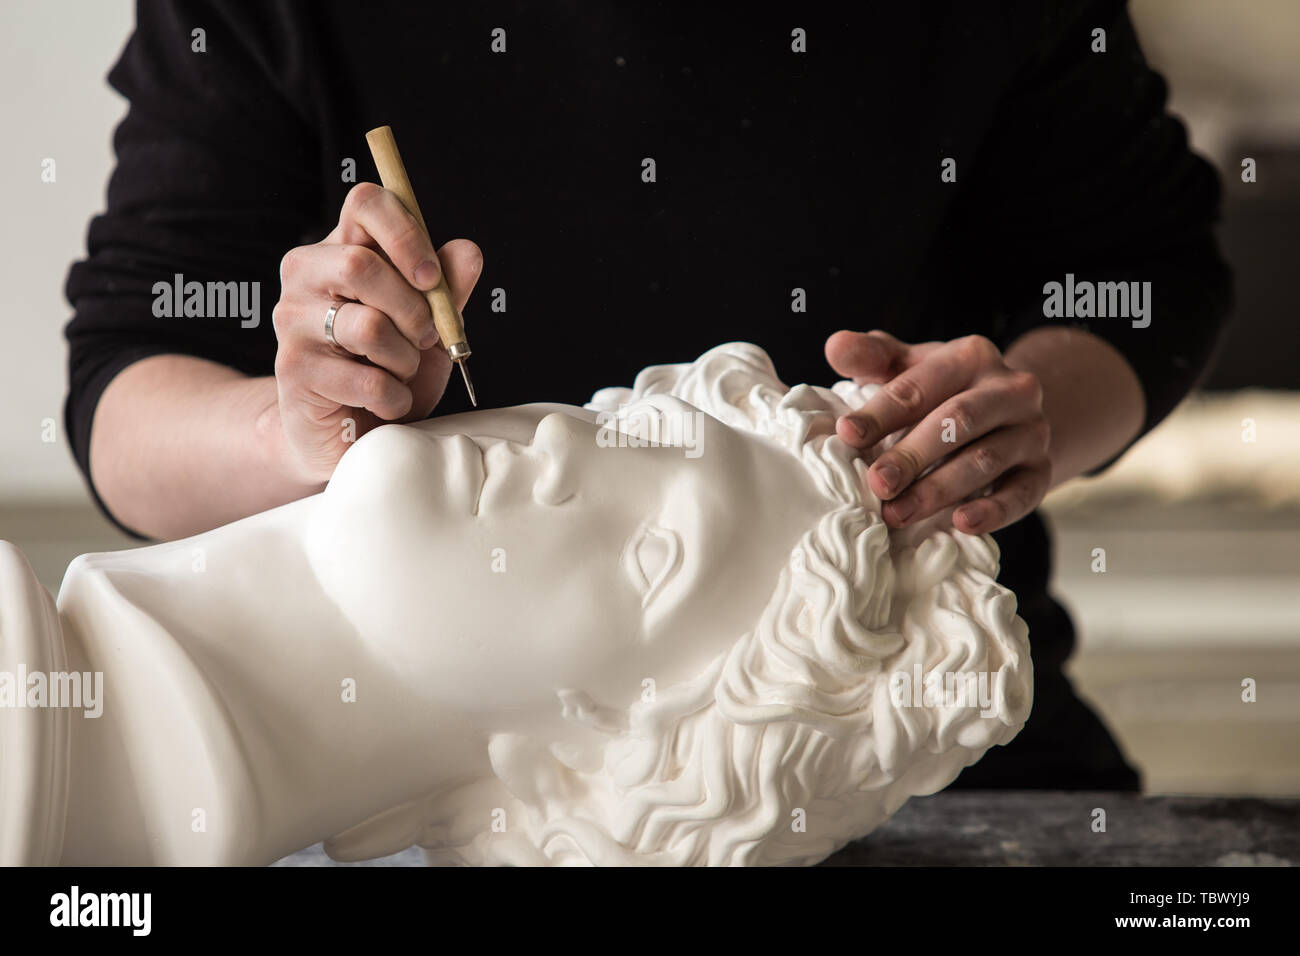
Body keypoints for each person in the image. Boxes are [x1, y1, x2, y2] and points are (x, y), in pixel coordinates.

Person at [64, 2, 1232, 792]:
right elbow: (124, 380)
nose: (543, 448)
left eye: (658, 536)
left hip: (939, 774)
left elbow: (1149, 271)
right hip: (410, 768)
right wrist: (290, 431)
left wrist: (1026, 411)